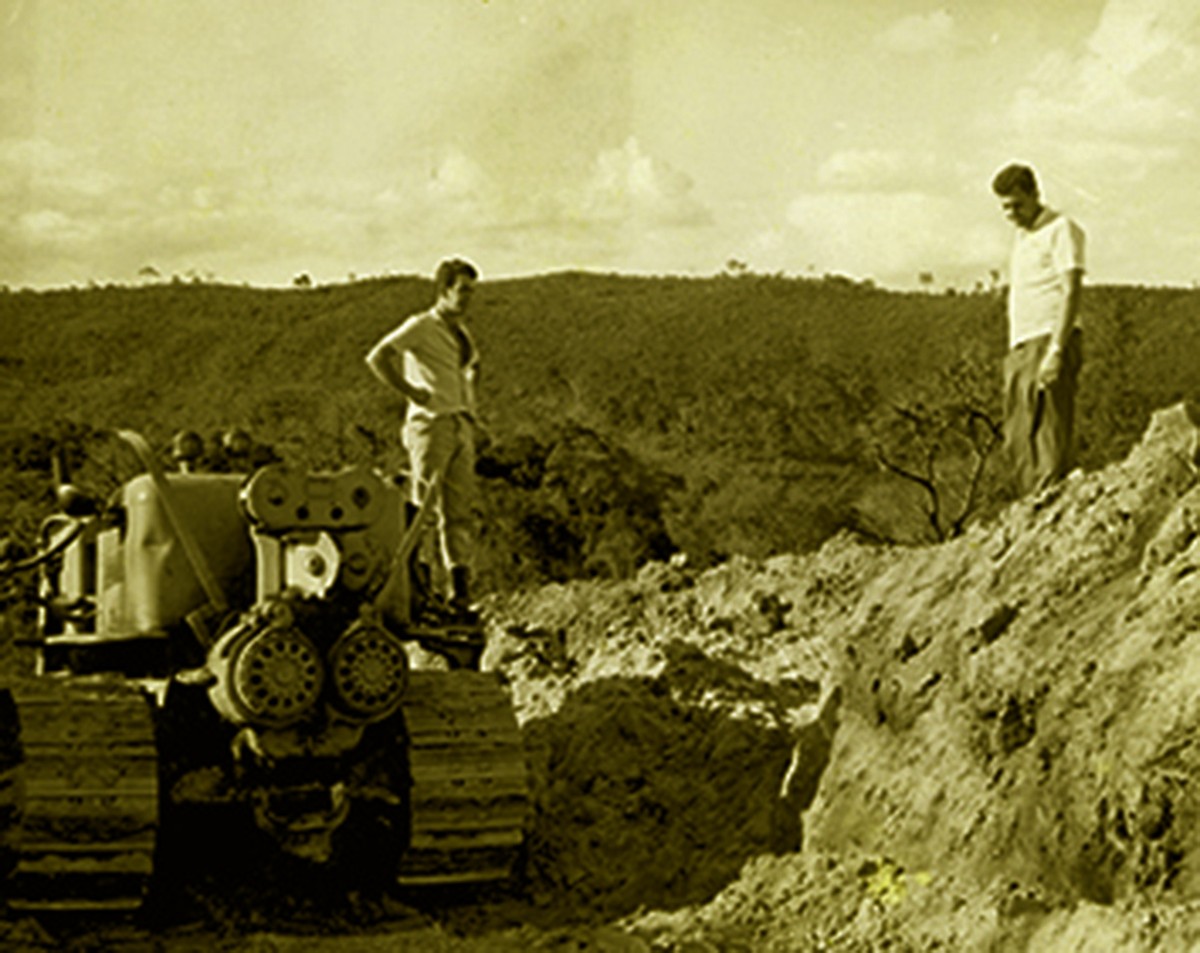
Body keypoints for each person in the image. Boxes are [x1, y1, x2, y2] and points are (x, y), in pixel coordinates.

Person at [365, 258, 481, 621]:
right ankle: (418, 586)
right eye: (462, 291)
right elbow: (378, 356)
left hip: (459, 423)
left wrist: (473, 413)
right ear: (444, 290)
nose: (466, 299)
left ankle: (459, 591)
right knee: (423, 510)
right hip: (429, 424)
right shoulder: (421, 325)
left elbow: (470, 368)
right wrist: (411, 391)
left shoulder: (461, 332)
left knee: (459, 512)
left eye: (471, 293)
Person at [992, 163, 1086, 496]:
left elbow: (1072, 288)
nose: (1010, 213)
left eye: (1017, 204)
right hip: (1021, 342)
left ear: (1035, 195)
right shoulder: (1022, 237)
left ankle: (1052, 500)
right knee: (1018, 435)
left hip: (1049, 337)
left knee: (1048, 432)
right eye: (1004, 206)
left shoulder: (1062, 229)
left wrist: (1056, 350)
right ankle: (1031, 506)